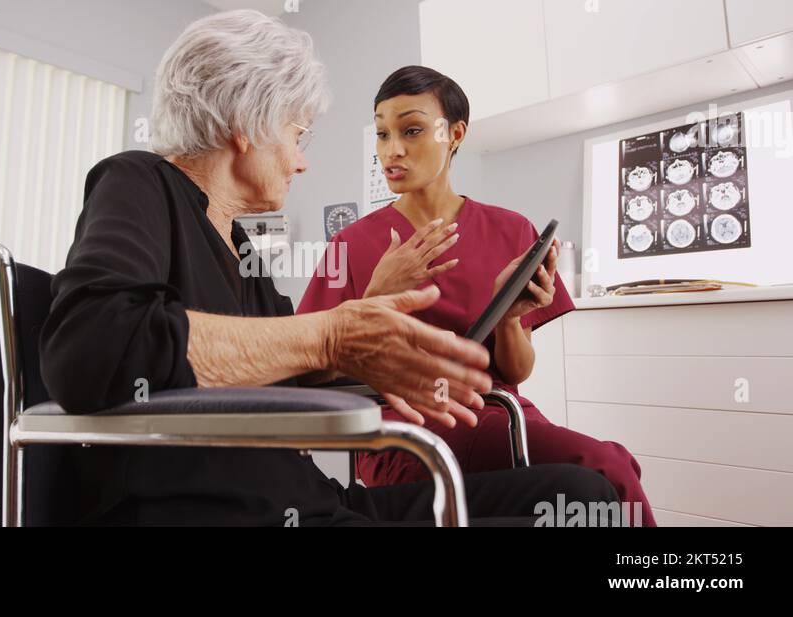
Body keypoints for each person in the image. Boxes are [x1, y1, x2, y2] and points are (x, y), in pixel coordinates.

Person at [38, 11, 619, 526]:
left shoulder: (237, 246)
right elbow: (95, 347)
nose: (303, 160)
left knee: (584, 494)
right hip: (220, 508)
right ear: (248, 122)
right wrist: (337, 333)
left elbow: (290, 373)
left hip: (313, 497)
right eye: (297, 134)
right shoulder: (138, 180)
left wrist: (365, 354)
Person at [296, 65, 655, 526]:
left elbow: (517, 370)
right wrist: (375, 297)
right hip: (407, 428)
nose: (393, 150)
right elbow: (311, 374)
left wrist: (508, 318)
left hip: (499, 412)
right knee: (604, 468)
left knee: (609, 474)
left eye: (411, 130)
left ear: (455, 133)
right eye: (382, 135)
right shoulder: (350, 245)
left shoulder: (511, 229)